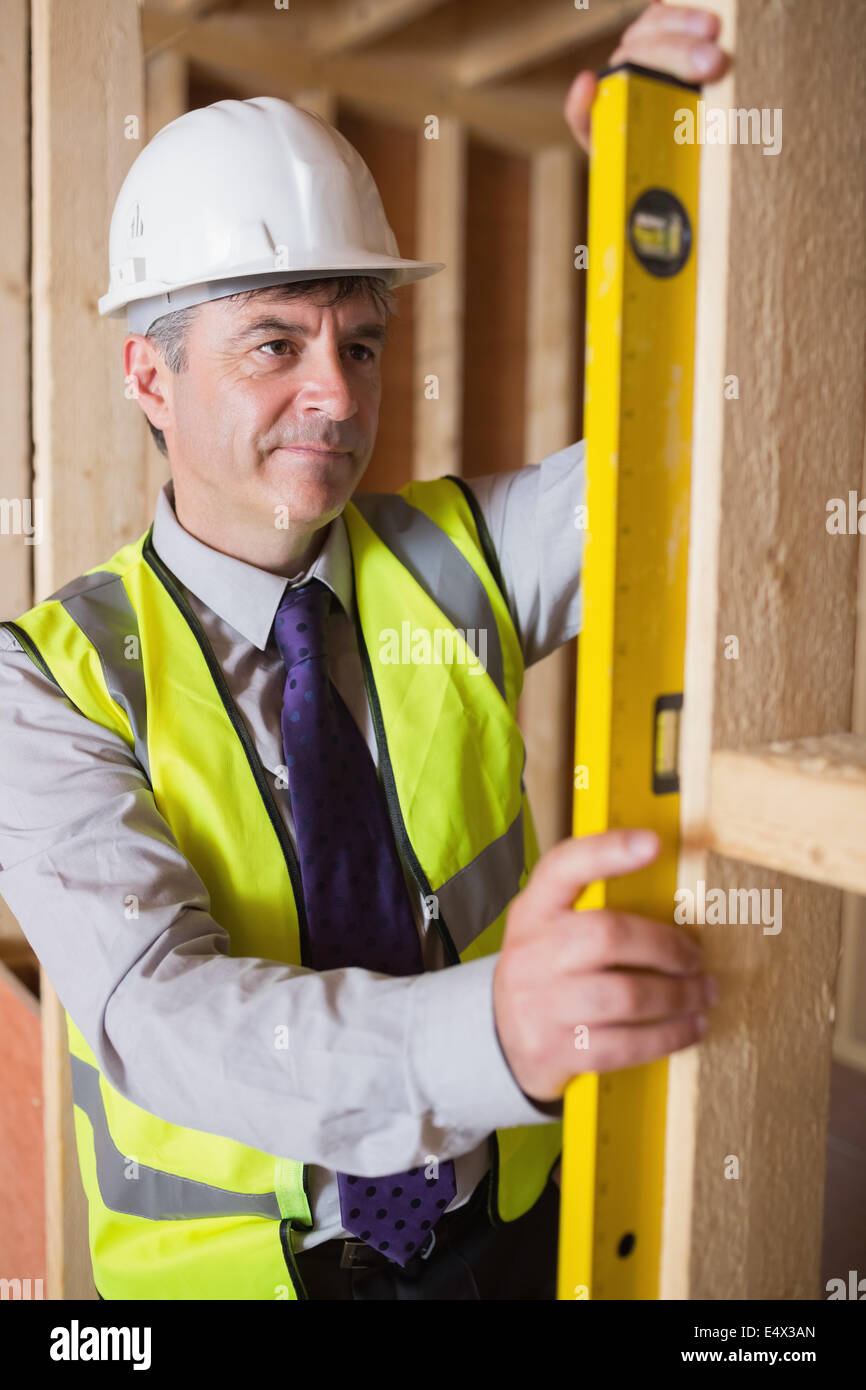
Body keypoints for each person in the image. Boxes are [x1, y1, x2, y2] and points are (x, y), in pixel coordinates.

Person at [0, 4, 727, 1300]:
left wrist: (670, 187)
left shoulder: (462, 554)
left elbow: (683, 449)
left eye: (361, 341)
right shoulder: (46, 677)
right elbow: (161, 1013)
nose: (337, 395)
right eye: (275, 344)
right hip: (235, 1285)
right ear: (151, 378)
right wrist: (491, 1030)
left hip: (507, 1230)